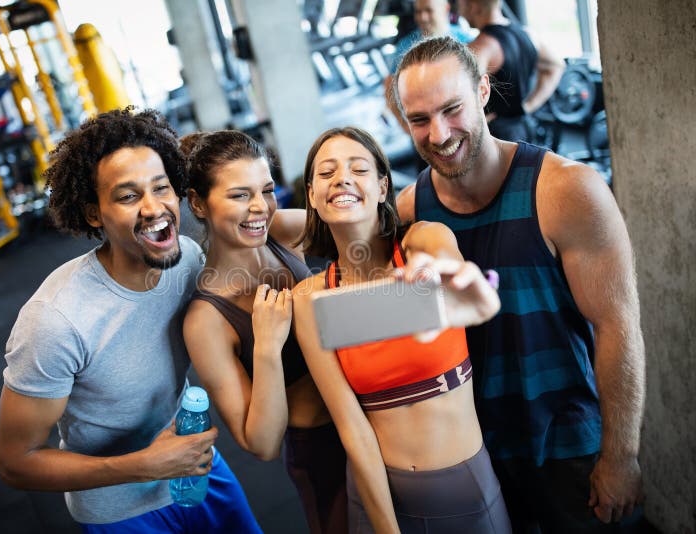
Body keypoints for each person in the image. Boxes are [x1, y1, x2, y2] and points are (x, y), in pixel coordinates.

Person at [393, 36, 645, 532]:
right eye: (419, 119)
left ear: (484, 90)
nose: (439, 133)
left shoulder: (567, 191)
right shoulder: (409, 210)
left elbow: (618, 326)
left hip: (566, 445)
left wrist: (621, 457)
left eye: (452, 109)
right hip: (473, 453)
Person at [0, 108, 262, 533]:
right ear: (93, 214)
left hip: (194, 470)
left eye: (162, 188)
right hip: (120, 509)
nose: (154, 208)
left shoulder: (188, 260)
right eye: (128, 196)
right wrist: (142, 466)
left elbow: (269, 233)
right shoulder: (54, 322)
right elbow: (15, 463)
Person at [292, 126, 510, 533]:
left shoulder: (424, 240)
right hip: (375, 498)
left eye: (358, 168)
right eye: (326, 173)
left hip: (463, 493)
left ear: (381, 187)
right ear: (311, 196)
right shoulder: (310, 298)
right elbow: (353, 428)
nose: (341, 178)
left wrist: (444, 275)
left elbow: (443, 258)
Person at [181, 130, 347, 534]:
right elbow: (262, 443)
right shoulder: (206, 320)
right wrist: (268, 349)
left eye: (267, 189)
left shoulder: (281, 233)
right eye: (239, 195)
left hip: (371, 414)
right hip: (323, 451)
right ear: (198, 203)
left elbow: (372, 223)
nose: (260, 207)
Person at [457, 0, 564, 142]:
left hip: (497, 135)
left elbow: (461, 97)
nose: (460, 13)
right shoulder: (527, 34)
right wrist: (528, 106)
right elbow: (556, 65)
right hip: (524, 127)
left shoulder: (481, 47)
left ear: (473, 6)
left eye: (461, 5)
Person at [384, 0, 474, 134]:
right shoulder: (404, 46)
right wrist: (408, 128)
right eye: (418, 12)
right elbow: (389, 89)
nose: (422, 17)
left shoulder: (467, 40)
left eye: (429, 11)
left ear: (446, 9)